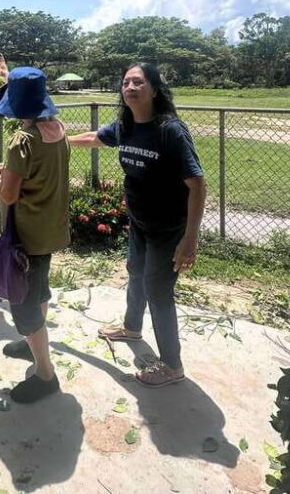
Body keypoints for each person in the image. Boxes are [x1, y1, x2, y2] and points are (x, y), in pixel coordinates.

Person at [68, 62, 206, 387]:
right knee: (135, 273)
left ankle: (172, 365)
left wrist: (190, 239)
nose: (130, 87)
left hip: (169, 228)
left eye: (138, 82)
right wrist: (62, 141)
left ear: (154, 90)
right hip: (141, 223)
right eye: (126, 82)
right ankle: (132, 328)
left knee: (158, 293)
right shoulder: (126, 125)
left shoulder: (169, 130)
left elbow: (197, 184)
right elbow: (94, 138)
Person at [0, 66, 70, 404]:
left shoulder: (23, 140)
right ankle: (32, 346)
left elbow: (8, 195)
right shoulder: (59, 130)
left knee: (23, 302)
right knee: (39, 289)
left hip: (25, 235)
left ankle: (45, 374)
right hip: (50, 229)